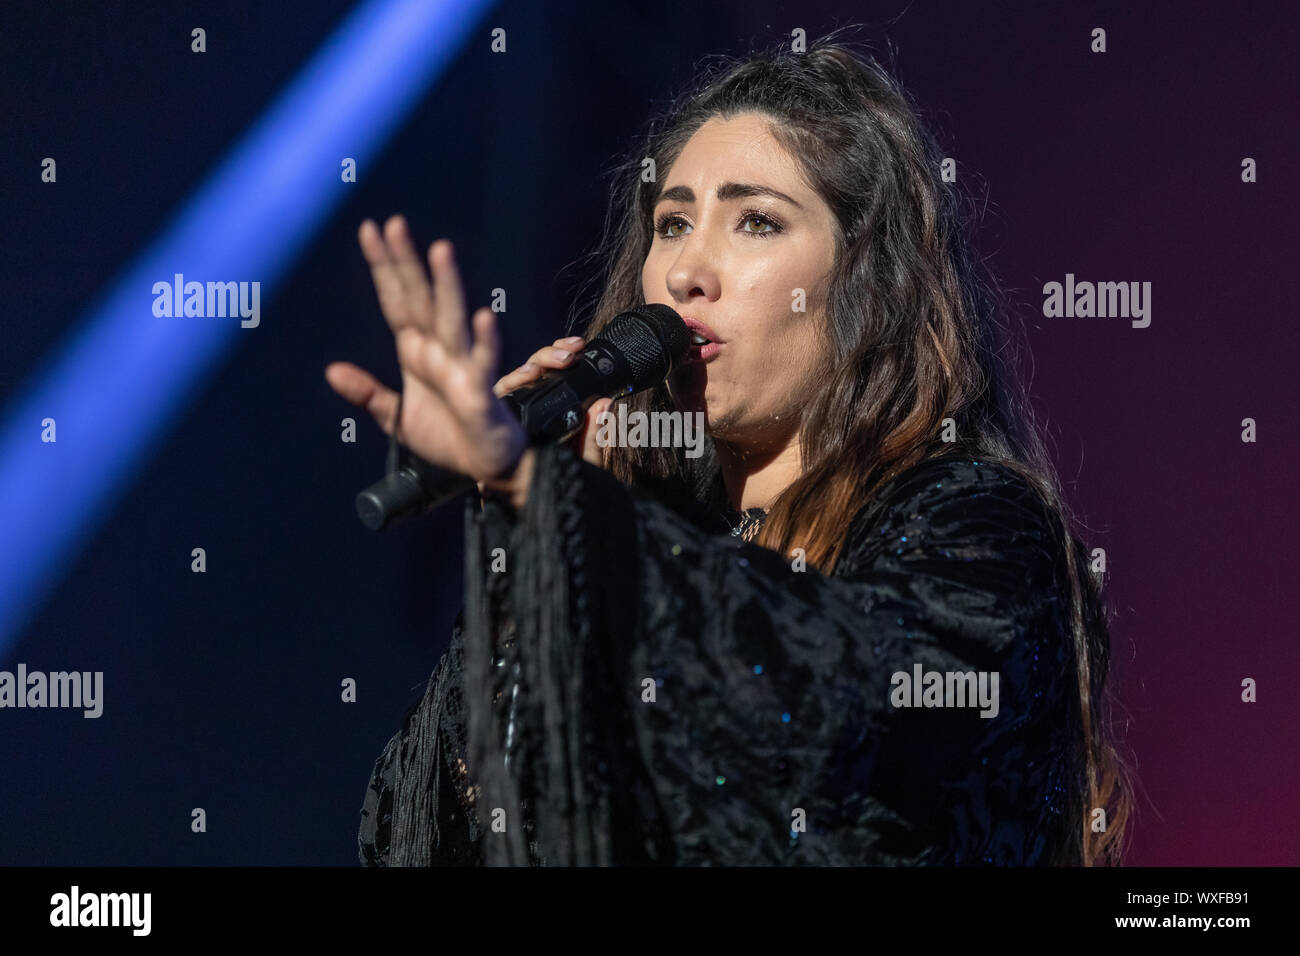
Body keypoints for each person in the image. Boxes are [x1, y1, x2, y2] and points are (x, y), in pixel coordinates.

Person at [325, 35, 1131, 866]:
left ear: (869, 281)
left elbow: (846, 713)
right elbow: (420, 839)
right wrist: (529, 560)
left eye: (755, 221)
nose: (685, 271)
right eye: (672, 223)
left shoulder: (975, 523)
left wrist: (588, 535)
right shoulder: (664, 543)